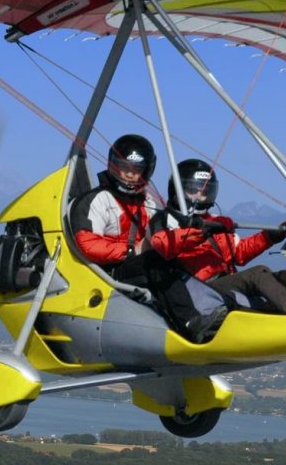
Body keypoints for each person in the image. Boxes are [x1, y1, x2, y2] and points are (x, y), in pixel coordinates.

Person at [72, 136, 225, 341]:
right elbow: (86, 243)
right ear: (112, 166)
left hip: (141, 266)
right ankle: (190, 323)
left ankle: (215, 309)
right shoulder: (98, 200)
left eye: (136, 169)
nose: (130, 175)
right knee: (156, 261)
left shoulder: (148, 203)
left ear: (146, 171)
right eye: (124, 168)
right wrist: (129, 251)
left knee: (173, 259)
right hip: (108, 272)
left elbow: (162, 234)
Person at [150, 159, 286, 315]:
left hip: (228, 280)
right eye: (193, 190)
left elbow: (239, 254)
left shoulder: (213, 220)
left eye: (205, 191)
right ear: (178, 190)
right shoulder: (166, 220)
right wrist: (201, 231)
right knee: (257, 274)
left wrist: (271, 236)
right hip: (202, 289)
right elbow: (163, 245)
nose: (200, 196)